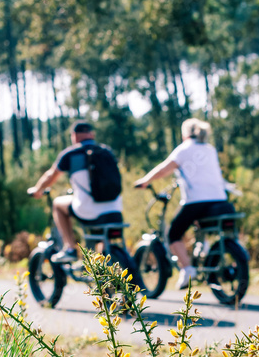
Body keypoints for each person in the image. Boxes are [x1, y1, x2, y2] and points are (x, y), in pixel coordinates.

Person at [134, 118, 236, 288]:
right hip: (220, 199)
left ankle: (188, 269)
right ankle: (203, 247)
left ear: (185, 134)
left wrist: (144, 181)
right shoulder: (209, 149)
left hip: (196, 201)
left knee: (173, 233)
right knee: (197, 222)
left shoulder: (184, 149)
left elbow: (163, 169)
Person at [28, 121, 123, 263]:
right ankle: (102, 261)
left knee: (57, 204)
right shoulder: (106, 151)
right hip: (115, 209)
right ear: (92, 134)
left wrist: (37, 189)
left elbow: (50, 176)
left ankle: (70, 248)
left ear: (74, 136)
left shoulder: (70, 154)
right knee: (101, 234)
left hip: (88, 210)